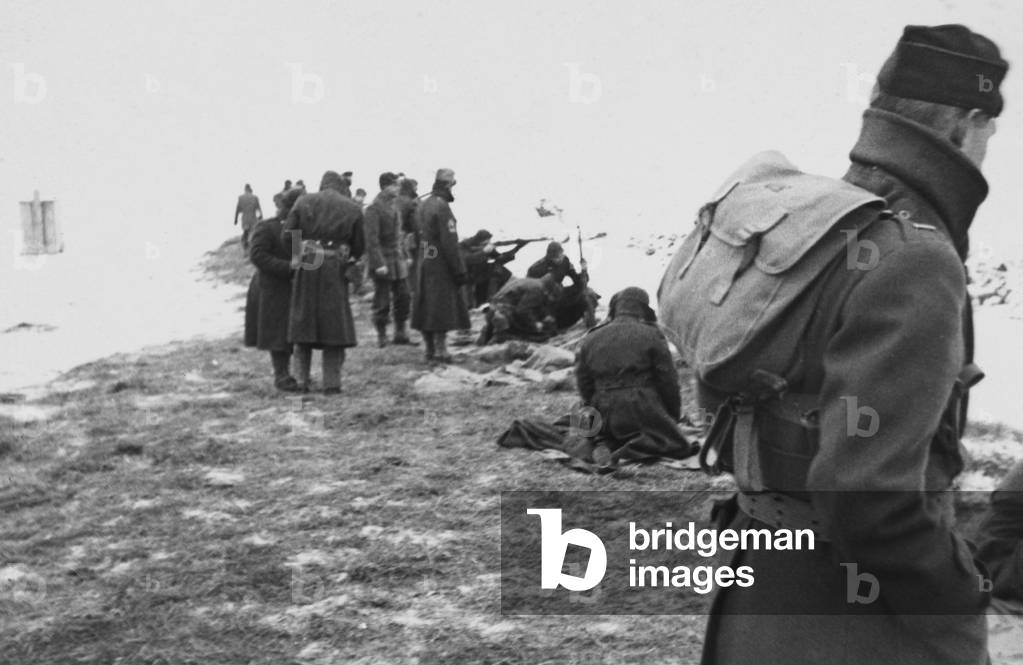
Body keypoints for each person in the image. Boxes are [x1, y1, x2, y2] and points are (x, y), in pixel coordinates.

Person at [658, 25, 1007, 665]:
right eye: (991, 130)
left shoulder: (819, 231)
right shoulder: (917, 258)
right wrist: (960, 600)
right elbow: (871, 502)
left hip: (760, 586)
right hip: (853, 619)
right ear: (970, 122)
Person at [575, 287, 694, 463]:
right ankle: (623, 452)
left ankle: (604, 444)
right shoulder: (652, 334)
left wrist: (592, 406)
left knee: (601, 433)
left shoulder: (591, 337)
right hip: (640, 407)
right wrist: (671, 416)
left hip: (602, 408)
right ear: (644, 310)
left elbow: (583, 383)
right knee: (675, 445)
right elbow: (668, 382)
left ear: (616, 308)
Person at [283, 171, 365, 394]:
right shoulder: (352, 207)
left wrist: (298, 255)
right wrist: (347, 256)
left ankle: (301, 381)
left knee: (303, 321)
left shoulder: (303, 200)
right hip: (333, 267)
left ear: (321, 185)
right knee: (334, 327)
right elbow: (359, 245)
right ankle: (332, 384)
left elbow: (288, 234)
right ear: (340, 187)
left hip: (308, 264)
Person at [244, 188, 302, 391]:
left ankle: (295, 374)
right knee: (277, 333)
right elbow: (257, 256)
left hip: (290, 287)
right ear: (288, 207)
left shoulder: (298, 230)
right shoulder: (266, 227)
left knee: (290, 331)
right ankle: (281, 375)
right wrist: (287, 267)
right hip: (269, 287)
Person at [411, 168, 469, 363]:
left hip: (425, 258)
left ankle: (429, 350)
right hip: (440, 262)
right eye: (452, 184)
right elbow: (450, 243)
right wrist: (459, 270)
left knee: (425, 305)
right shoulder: (442, 207)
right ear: (447, 185)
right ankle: (441, 350)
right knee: (440, 307)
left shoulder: (423, 205)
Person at [364, 172, 414, 347]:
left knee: (404, 297)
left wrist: (406, 256)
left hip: (397, 259)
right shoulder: (373, 208)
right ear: (385, 186)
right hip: (383, 260)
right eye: (395, 185)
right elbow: (371, 240)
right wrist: (378, 264)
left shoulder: (394, 206)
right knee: (382, 301)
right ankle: (382, 335)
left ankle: (400, 334)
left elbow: (399, 236)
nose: (398, 188)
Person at [526, 241, 598, 329]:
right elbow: (528, 292)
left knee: (587, 292)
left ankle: (591, 322)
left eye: (560, 255)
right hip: (544, 300)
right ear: (548, 257)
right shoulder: (536, 269)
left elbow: (578, 281)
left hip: (559, 293)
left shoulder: (565, 261)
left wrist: (584, 270)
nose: (559, 259)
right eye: (555, 258)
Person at [476, 274, 560, 345]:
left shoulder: (529, 281)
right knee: (527, 335)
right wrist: (535, 324)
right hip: (504, 315)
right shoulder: (538, 289)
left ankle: (489, 332)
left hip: (492, 311)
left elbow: (531, 305)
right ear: (549, 292)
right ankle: (499, 336)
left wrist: (543, 316)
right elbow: (522, 310)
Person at [460, 230, 525, 308]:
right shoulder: (463, 247)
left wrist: (517, 248)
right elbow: (468, 260)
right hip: (467, 278)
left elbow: (500, 258)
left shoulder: (486, 247)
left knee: (499, 272)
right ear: (478, 241)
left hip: (481, 276)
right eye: (484, 243)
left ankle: (492, 300)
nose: (487, 244)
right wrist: (484, 252)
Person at [397, 178, 420, 295]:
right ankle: (412, 291)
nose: (416, 189)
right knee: (414, 265)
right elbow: (416, 224)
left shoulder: (395, 199)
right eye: (415, 187)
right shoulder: (411, 202)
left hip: (396, 239)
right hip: (409, 238)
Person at [234, 184, 263, 253]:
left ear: (245, 189)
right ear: (250, 189)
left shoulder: (241, 197)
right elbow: (259, 208)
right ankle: (253, 247)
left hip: (245, 217)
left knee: (246, 232)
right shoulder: (255, 197)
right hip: (253, 217)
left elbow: (237, 209)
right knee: (253, 232)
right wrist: (261, 216)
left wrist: (235, 219)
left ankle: (246, 248)